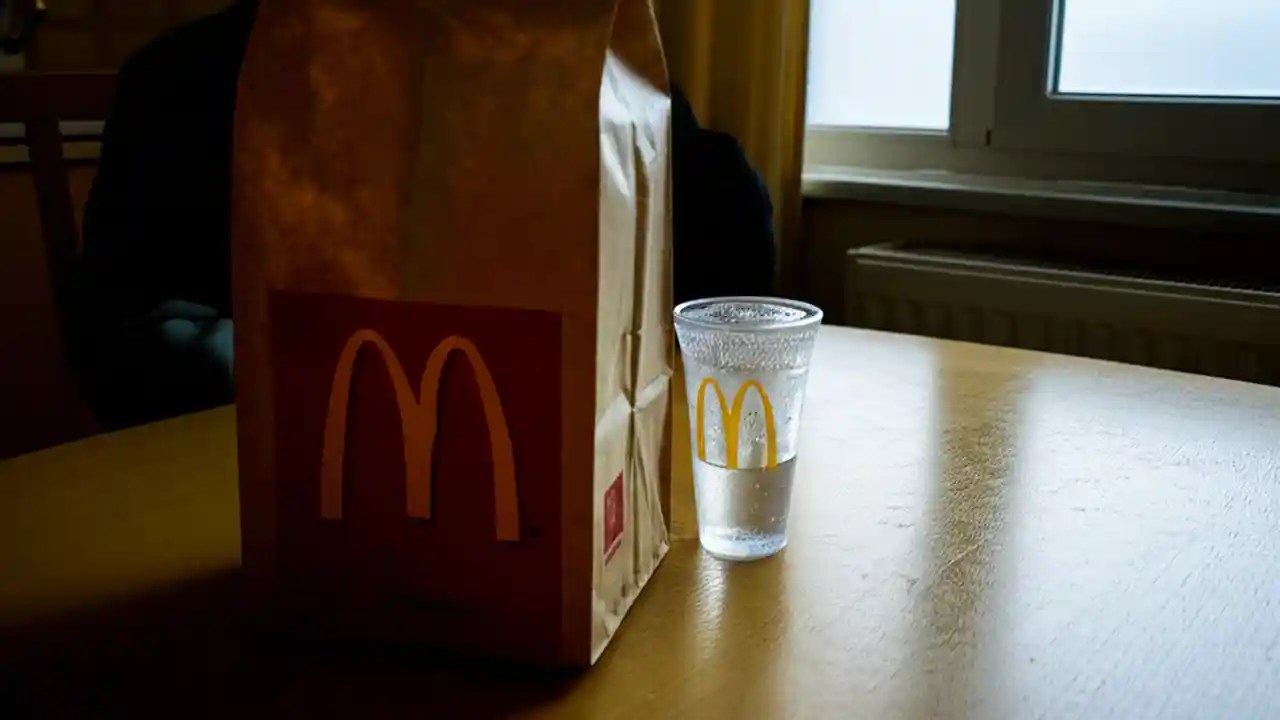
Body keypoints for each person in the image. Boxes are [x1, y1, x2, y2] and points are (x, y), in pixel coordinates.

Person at [77, 0, 775, 428]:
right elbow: (120, 347)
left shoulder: (549, 56)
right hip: (239, 501)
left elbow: (727, 233)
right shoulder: (186, 83)